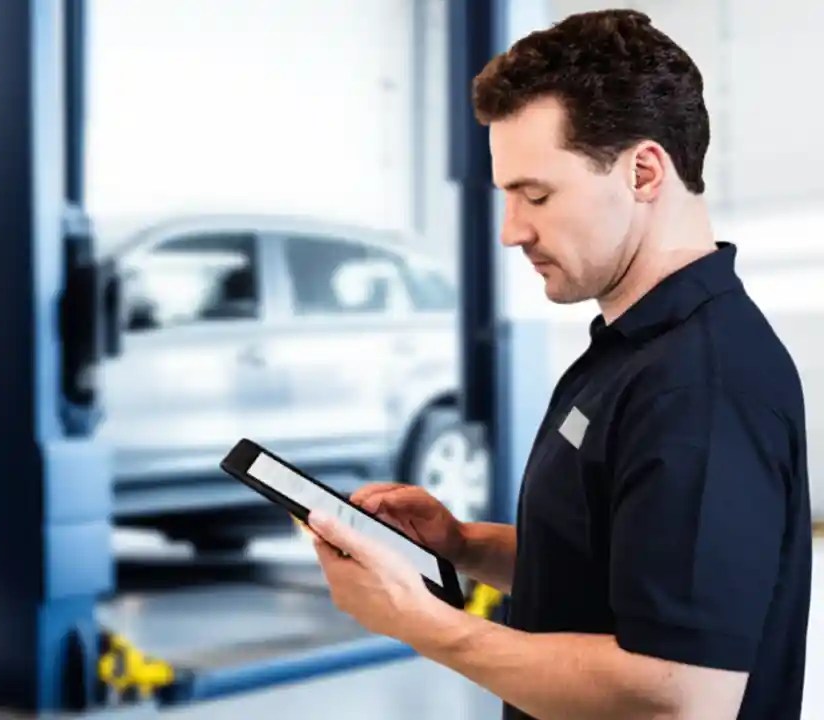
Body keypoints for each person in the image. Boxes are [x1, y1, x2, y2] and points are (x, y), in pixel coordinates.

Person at [306, 9, 812, 720]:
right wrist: (461, 545)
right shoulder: (630, 348)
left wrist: (421, 623)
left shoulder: (700, 384)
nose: (512, 231)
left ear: (642, 172)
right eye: (507, 197)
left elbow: (682, 696)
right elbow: (619, 569)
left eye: (536, 195)